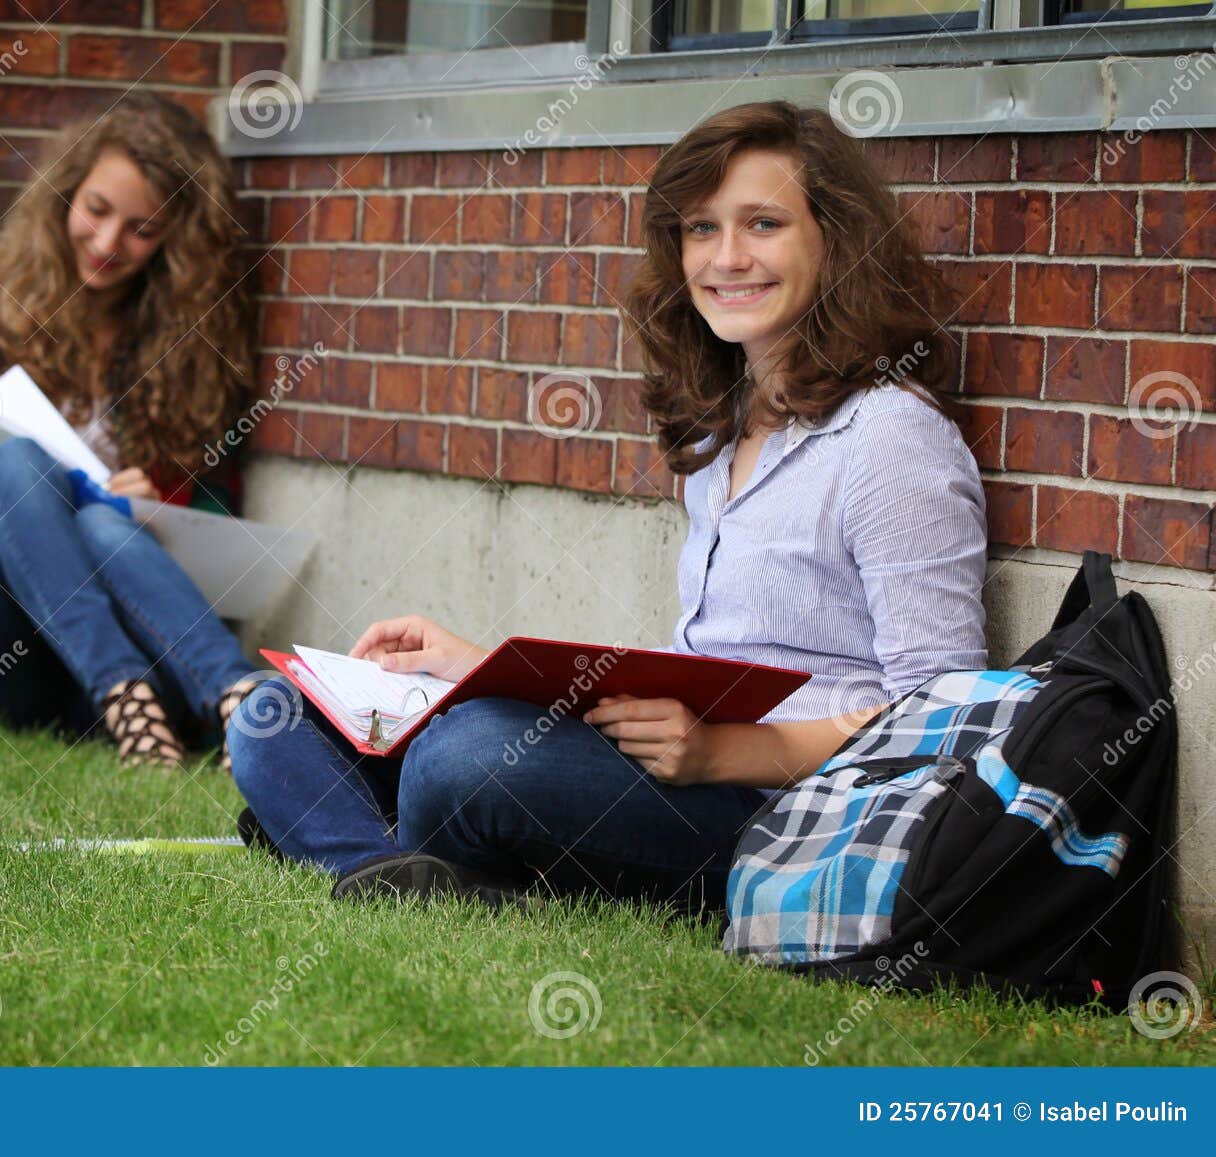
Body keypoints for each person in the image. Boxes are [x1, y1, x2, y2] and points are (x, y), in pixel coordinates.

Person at [227, 100, 988, 908]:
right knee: (280, 709)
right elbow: (702, 671)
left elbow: (944, 717)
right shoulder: (725, 432)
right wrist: (480, 669)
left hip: (781, 812)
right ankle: (377, 866)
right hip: (677, 760)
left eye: (762, 223)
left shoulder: (890, 435)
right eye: (701, 228)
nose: (727, 257)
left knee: (460, 757)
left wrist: (724, 751)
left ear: (832, 237)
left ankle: (346, 832)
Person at [0, 93, 263, 769]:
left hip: (104, 690)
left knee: (102, 524)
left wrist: (159, 508)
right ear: (65, 193)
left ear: (178, 240)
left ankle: (225, 696)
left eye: (141, 228)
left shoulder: (194, 359)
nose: (106, 243)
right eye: (96, 210)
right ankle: (221, 695)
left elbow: (226, 544)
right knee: (18, 465)